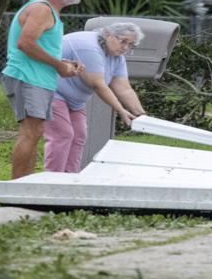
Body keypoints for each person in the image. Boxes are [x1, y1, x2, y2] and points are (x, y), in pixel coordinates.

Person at [2, 0, 85, 179]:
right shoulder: (42, 9)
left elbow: (37, 45)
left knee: (35, 133)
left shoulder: (50, 12)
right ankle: (18, 186)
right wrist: (58, 66)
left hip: (38, 78)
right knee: (30, 133)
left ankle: (25, 184)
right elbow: (25, 43)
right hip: (27, 77)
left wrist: (62, 63)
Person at [45, 23, 147, 173]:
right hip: (51, 90)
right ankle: (51, 180)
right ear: (108, 35)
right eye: (123, 41)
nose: (126, 47)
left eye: (131, 44)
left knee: (79, 136)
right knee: (63, 135)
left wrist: (143, 116)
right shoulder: (89, 47)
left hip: (75, 99)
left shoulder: (117, 57)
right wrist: (121, 110)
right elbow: (97, 84)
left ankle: (69, 180)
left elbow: (124, 89)